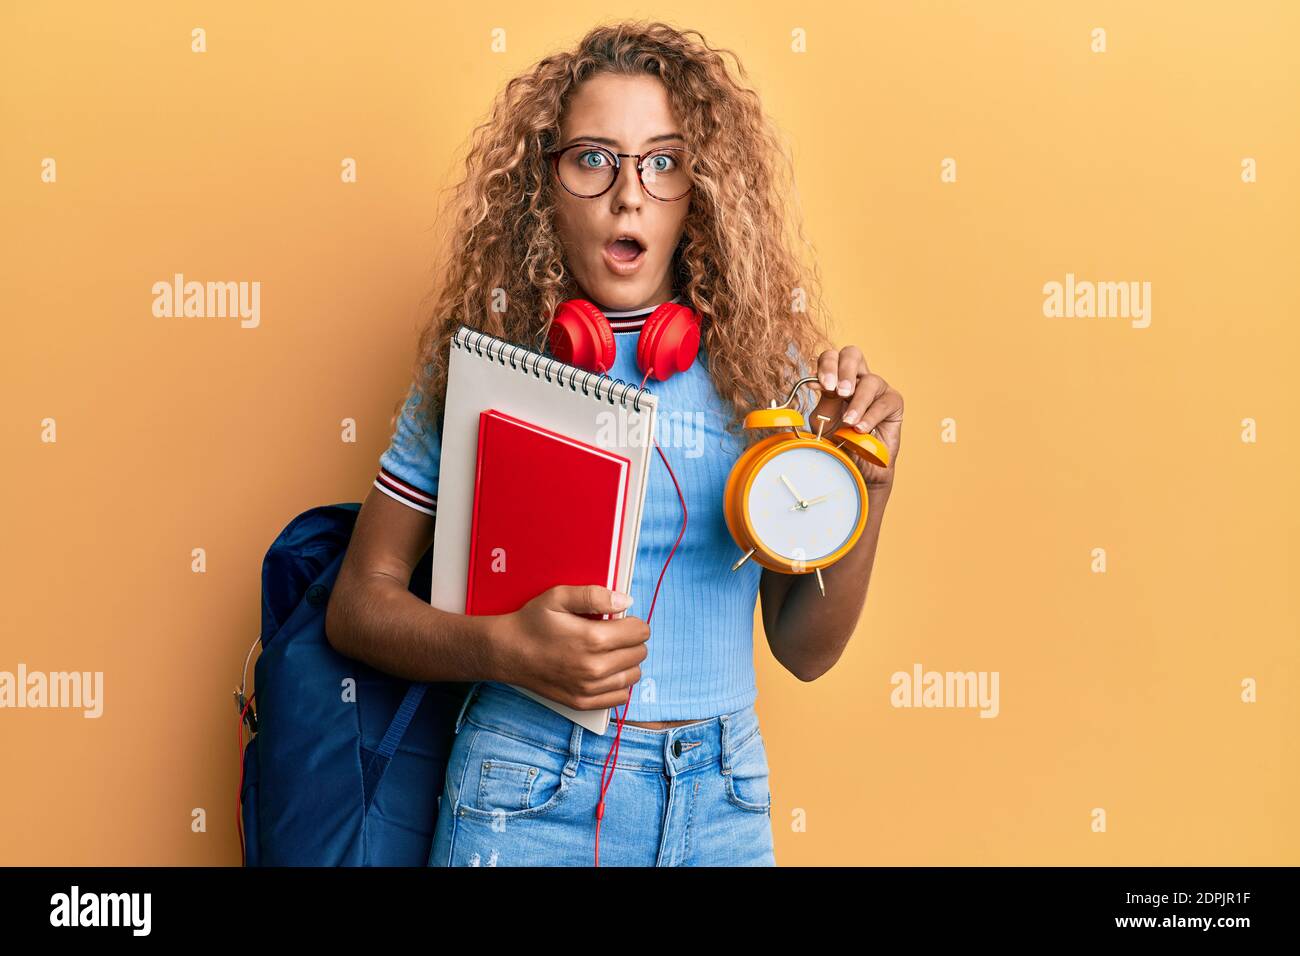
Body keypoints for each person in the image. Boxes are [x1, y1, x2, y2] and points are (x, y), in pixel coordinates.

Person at [325, 20, 904, 866]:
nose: (629, 195)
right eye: (593, 158)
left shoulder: (766, 377)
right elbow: (358, 604)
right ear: (544, 182)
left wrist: (866, 489)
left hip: (724, 797)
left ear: (699, 189)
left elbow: (805, 652)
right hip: (526, 789)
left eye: (663, 162)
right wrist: (501, 647)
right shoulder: (480, 365)